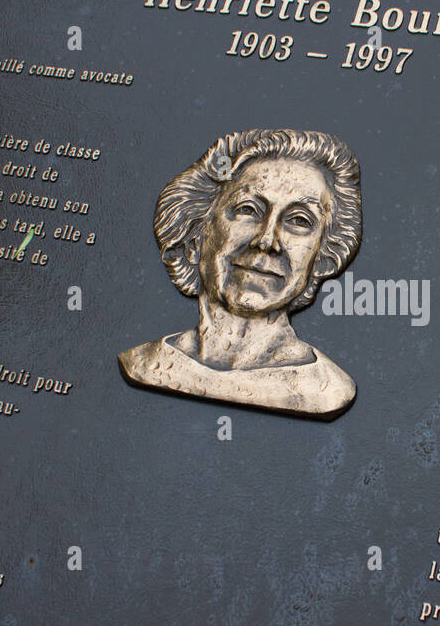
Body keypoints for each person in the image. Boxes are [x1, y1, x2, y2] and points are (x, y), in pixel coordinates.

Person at [118, 128, 362, 419]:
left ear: (322, 258)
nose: (266, 241)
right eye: (248, 210)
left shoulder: (326, 389)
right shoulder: (146, 363)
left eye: (299, 220)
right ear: (196, 236)